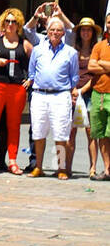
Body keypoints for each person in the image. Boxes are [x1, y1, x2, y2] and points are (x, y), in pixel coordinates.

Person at [27, 18, 79, 180]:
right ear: (47, 32)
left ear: (63, 33)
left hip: (61, 95)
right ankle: (38, 167)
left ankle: (61, 168)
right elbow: (32, 71)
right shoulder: (37, 49)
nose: (55, 33)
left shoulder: (71, 52)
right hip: (39, 94)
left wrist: (72, 91)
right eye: (52, 30)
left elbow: (74, 76)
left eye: (58, 30)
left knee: (61, 133)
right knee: (38, 131)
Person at [0, 7, 31, 174]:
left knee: (14, 125)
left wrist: (30, 79)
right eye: (8, 21)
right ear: (3, 23)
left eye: (14, 22)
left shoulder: (24, 44)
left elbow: (35, 62)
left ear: (18, 24)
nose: (10, 24)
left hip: (17, 88)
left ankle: (12, 160)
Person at [71, 17, 100, 177]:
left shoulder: (96, 50)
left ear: (93, 33)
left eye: (89, 29)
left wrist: (81, 90)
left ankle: (93, 167)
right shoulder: (73, 50)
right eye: (83, 29)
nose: (86, 32)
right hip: (74, 93)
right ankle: (66, 167)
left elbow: (95, 76)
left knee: (91, 132)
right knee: (71, 132)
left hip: (89, 93)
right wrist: (73, 90)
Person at [87, 13, 110, 182]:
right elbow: (90, 66)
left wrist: (100, 64)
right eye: (109, 22)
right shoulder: (99, 46)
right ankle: (107, 169)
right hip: (98, 94)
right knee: (101, 134)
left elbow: (96, 65)